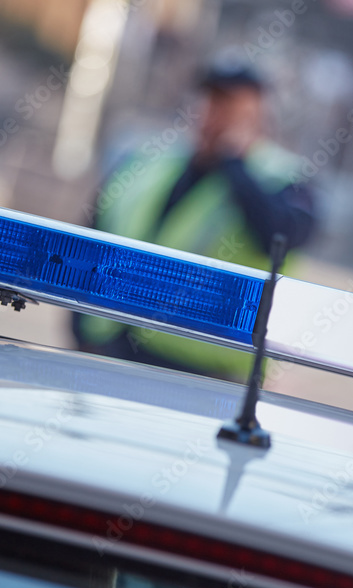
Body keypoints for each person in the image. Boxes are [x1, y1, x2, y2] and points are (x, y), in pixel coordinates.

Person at [74, 58, 316, 380]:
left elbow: (278, 236)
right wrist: (82, 333)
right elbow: (87, 245)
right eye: (212, 100)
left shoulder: (283, 179)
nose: (216, 114)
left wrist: (234, 162)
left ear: (258, 117)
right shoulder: (149, 164)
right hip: (111, 354)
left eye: (232, 106)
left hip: (207, 377)